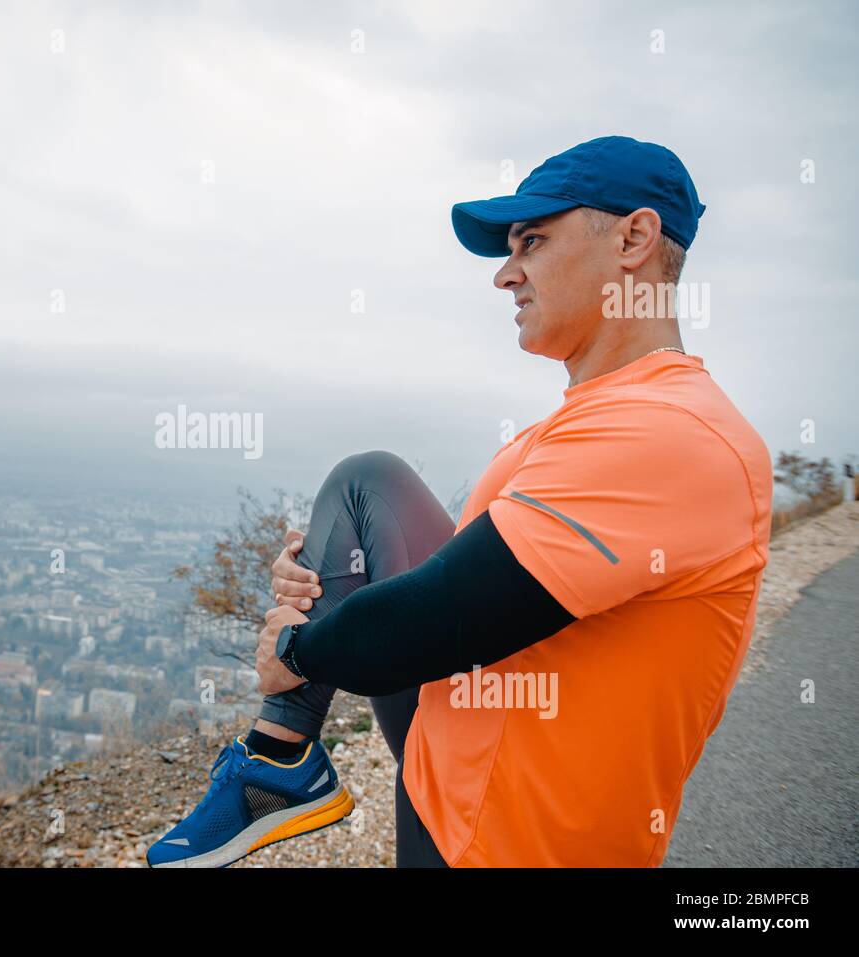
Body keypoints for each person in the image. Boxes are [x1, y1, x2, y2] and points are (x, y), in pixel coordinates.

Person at [146, 135, 772, 868]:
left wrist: (295, 646)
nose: (506, 275)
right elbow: (450, 583)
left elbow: (442, 615)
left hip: (512, 845)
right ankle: (280, 764)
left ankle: (278, 763)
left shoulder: (674, 435)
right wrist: (325, 582)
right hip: (453, 768)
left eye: (531, 241)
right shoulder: (575, 425)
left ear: (634, 238)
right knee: (365, 481)